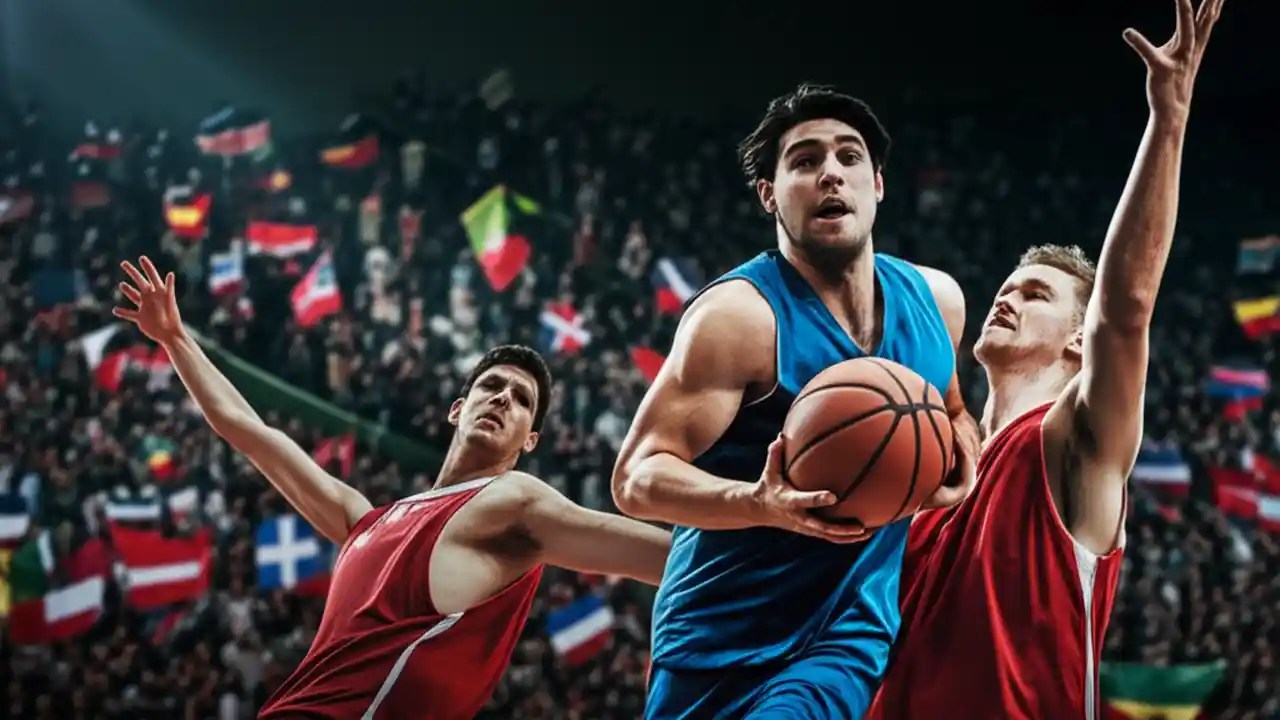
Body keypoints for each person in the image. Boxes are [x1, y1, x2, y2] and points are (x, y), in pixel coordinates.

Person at [111, 257, 672, 720]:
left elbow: (664, 557)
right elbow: (251, 433)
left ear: (531, 440)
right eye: (492, 386)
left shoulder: (515, 501)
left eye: (522, 400)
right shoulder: (366, 519)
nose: (503, 398)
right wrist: (176, 338)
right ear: (458, 409)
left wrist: (754, 520)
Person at [867, 1, 1226, 717]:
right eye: (1005, 287)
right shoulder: (923, 474)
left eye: (1033, 293)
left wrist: (1169, 119)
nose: (1005, 298)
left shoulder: (1072, 444)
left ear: (1075, 339)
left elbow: (1125, 313)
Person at [612, 84, 982, 718]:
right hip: (716, 632)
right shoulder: (739, 319)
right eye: (805, 161)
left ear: (879, 184)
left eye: (849, 156)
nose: (830, 173)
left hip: (847, 633)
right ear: (769, 194)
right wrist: (757, 502)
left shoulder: (937, 301)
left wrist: (963, 453)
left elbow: (949, 411)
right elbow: (636, 479)